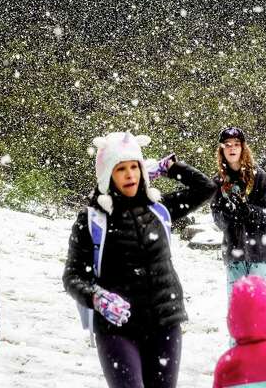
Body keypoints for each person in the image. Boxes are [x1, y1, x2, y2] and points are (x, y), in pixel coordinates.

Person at [63, 131, 217, 388]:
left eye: (135, 166)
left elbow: (207, 188)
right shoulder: (91, 221)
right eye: (120, 168)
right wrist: (96, 298)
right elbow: (73, 276)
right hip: (117, 329)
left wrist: (170, 167)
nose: (130, 174)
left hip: (165, 322)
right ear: (107, 176)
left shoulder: (159, 209)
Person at [210, 126, 266, 293]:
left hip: (260, 252)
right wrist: (228, 215)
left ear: (242, 148)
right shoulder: (218, 182)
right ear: (222, 149)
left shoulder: (259, 176)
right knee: (238, 307)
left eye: (236, 144)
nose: (232, 147)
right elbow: (216, 217)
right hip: (234, 253)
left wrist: (249, 211)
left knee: (262, 306)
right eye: (227, 144)